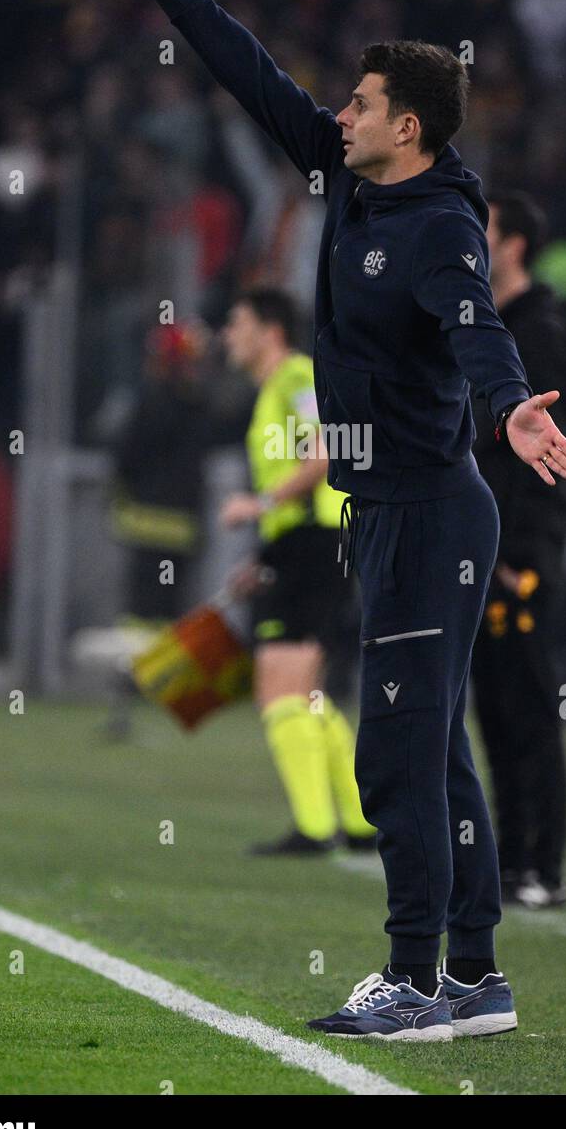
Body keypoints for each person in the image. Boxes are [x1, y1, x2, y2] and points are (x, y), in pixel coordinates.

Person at [81, 0, 566, 1041]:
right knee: (434, 746)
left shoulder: (442, 227)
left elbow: (478, 328)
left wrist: (509, 405)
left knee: (396, 751)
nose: (339, 113)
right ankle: (475, 976)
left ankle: (413, 978)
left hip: (432, 509)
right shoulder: (350, 176)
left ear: (409, 127)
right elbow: (252, 74)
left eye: (360, 104)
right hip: (392, 508)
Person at [219, 287, 374, 856]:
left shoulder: (295, 378)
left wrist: (258, 505)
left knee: (279, 687)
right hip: (303, 544)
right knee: (305, 692)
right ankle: (360, 821)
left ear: (270, 330)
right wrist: (264, 557)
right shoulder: (275, 389)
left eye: (237, 322)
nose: (227, 335)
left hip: (316, 541)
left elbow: (325, 454)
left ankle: (313, 828)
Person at [471, 191, 566, 909]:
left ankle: (544, 864)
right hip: (485, 545)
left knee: (529, 702)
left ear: (512, 245)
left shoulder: (538, 334)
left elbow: (543, 458)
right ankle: (513, 860)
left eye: (481, 228)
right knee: (493, 704)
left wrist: (520, 553)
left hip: (520, 550)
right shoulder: (491, 328)